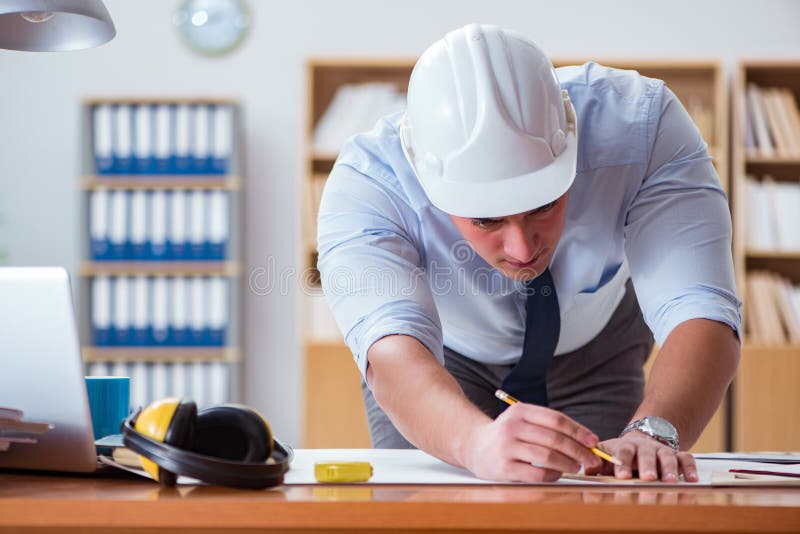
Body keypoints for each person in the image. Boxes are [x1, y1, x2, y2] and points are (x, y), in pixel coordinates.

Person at [316, 23, 741, 483]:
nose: (522, 249)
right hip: (443, 359)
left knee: (609, 504)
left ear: (571, 135)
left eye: (544, 204)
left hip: (597, 347)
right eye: (486, 220)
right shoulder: (368, 186)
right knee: (433, 511)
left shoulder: (643, 127)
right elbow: (391, 349)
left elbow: (700, 305)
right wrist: (473, 442)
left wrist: (654, 432)